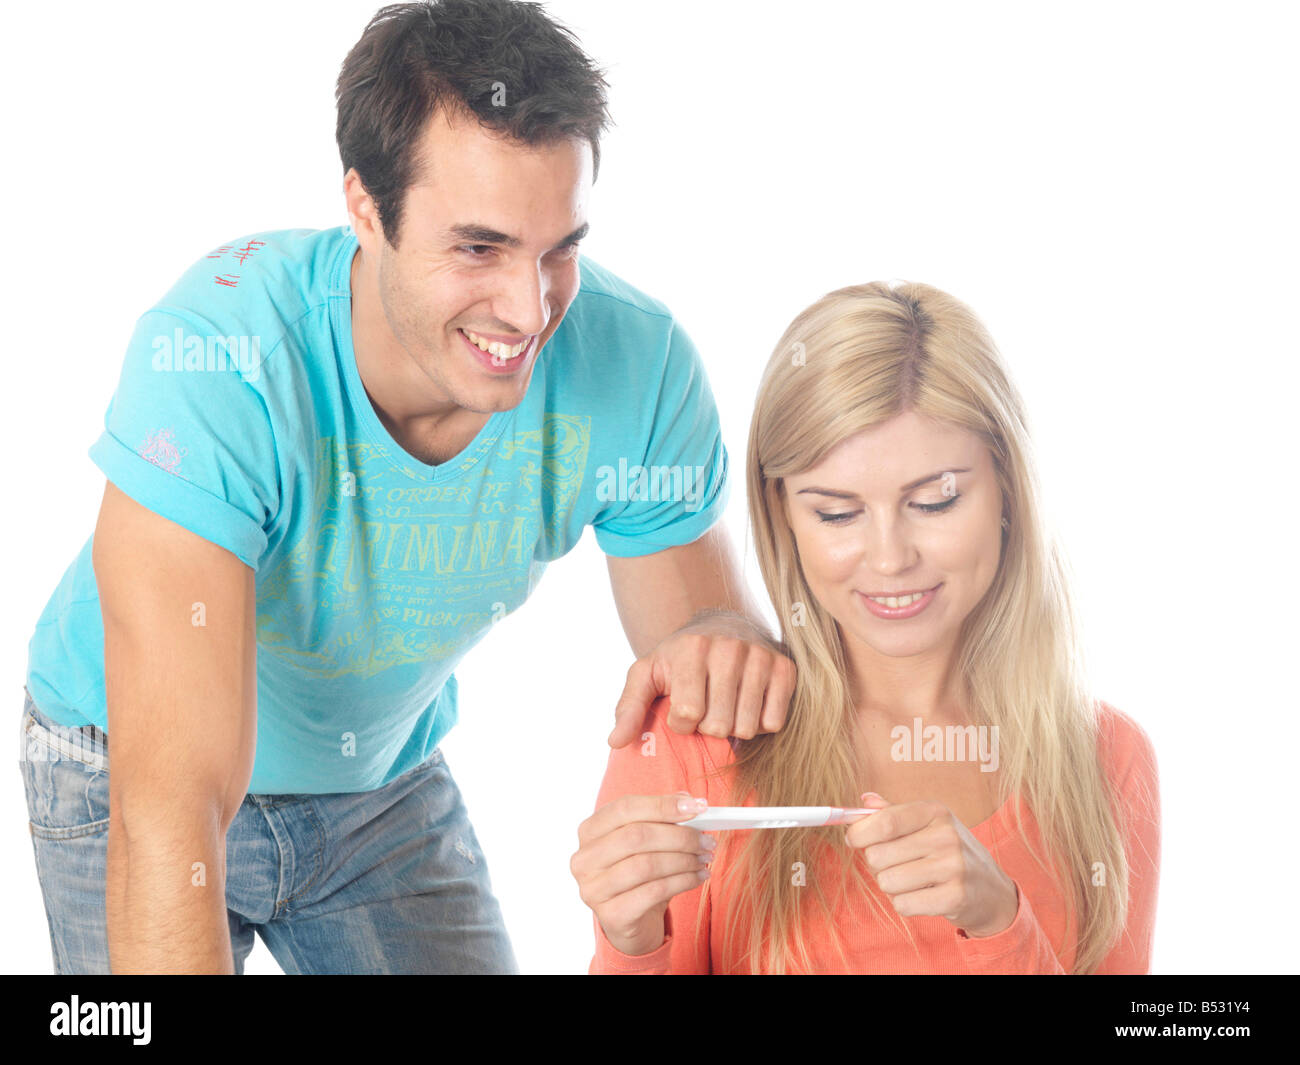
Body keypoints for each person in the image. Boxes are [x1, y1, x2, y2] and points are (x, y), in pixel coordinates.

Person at [19, 0, 794, 975]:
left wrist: (737, 654)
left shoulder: (635, 366)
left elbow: (709, 683)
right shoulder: (218, 358)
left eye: (559, 247)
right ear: (363, 206)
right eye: (478, 248)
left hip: (374, 777)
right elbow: (169, 811)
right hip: (119, 760)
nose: (529, 308)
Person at [571, 281, 1160, 974]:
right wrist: (632, 941)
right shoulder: (700, 735)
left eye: (935, 501)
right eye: (837, 513)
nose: (890, 558)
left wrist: (1000, 922)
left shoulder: (1105, 758)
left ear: (1007, 490)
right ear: (782, 512)